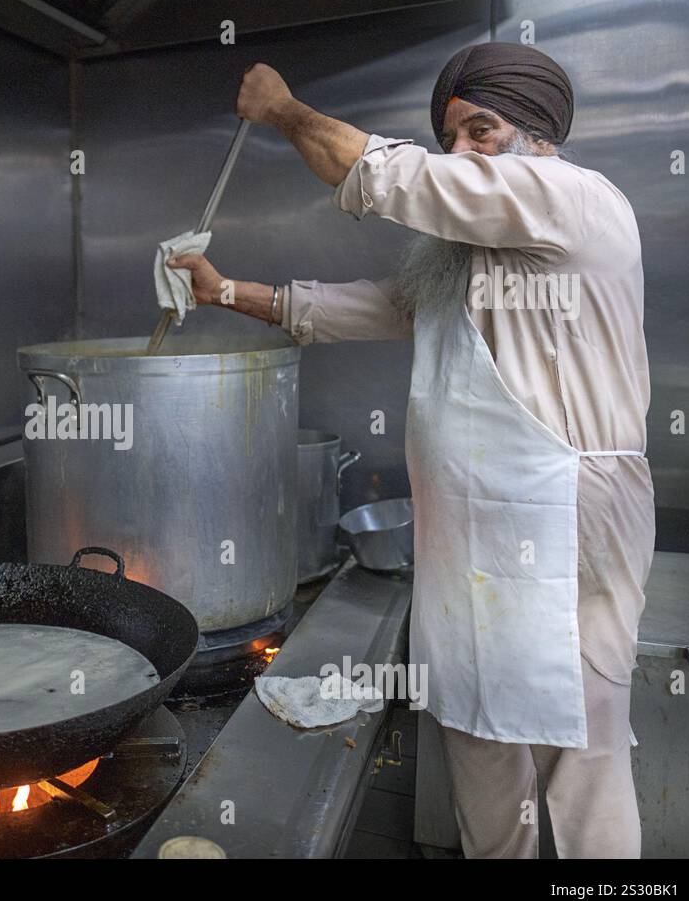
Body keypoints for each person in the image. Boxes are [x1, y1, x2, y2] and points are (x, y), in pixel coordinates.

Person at [170, 44, 654, 858]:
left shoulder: (574, 202)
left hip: (572, 521)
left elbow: (396, 178)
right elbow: (380, 307)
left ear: (540, 133)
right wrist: (226, 294)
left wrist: (285, 110)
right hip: (471, 535)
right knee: (477, 737)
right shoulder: (479, 255)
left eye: (482, 129)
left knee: (581, 756)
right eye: (452, 135)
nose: (462, 149)